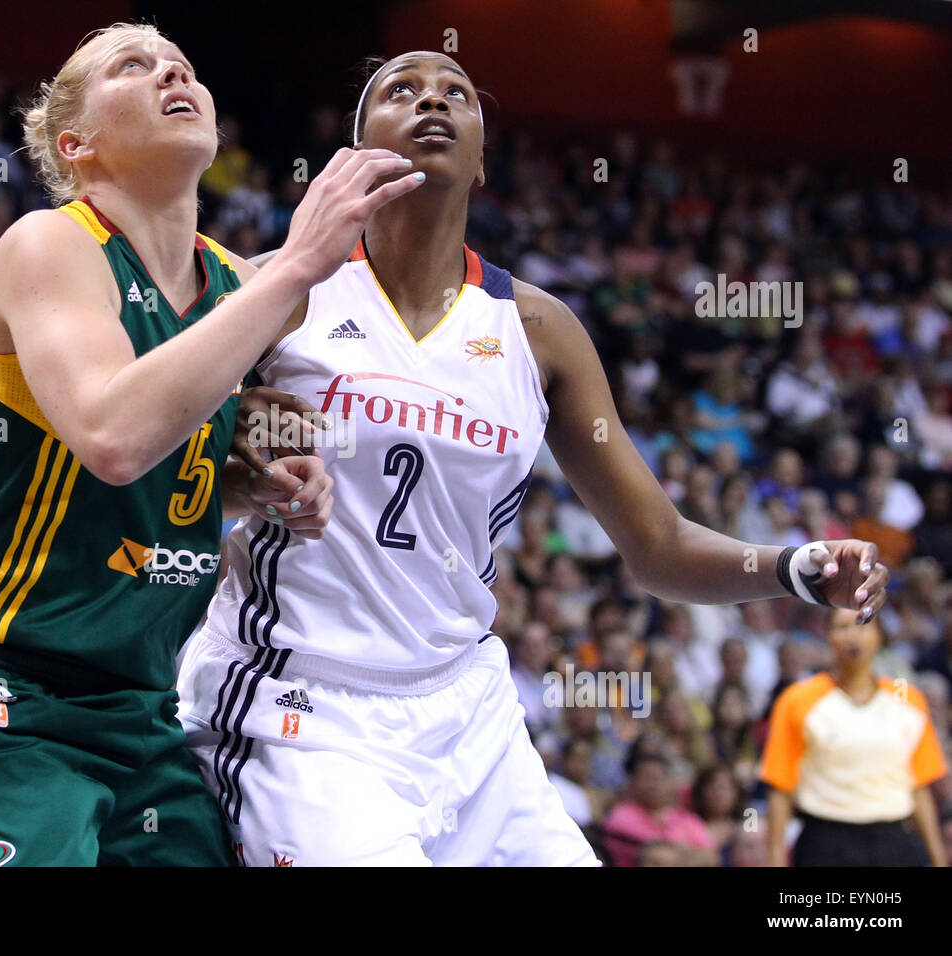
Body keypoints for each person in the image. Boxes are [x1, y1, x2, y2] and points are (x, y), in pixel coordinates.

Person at [176, 51, 892, 866]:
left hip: (468, 709)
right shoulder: (276, 286)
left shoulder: (538, 329)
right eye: (399, 91)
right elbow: (161, 464)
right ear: (356, 148)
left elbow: (657, 546)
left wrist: (794, 566)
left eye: (456, 93)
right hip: (302, 700)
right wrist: (246, 474)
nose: (432, 101)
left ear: (482, 161)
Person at [0, 22, 421, 867]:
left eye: (180, 62)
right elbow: (113, 436)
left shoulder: (236, 284)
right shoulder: (51, 245)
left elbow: (146, 475)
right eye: (133, 66)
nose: (171, 70)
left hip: (136, 716)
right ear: (75, 145)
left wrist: (249, 487)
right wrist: (300, 263)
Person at [761, 608, 948, 866]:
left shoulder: (908, 699)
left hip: (893, 839)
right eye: (842, 627)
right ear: (828, 637)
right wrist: (774, 858)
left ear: (879, 636)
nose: (853, 636)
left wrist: (938, 858)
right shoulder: (797, 700)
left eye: (862, 626)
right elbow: (780, 788)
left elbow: (919, 786)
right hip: (826, 840)